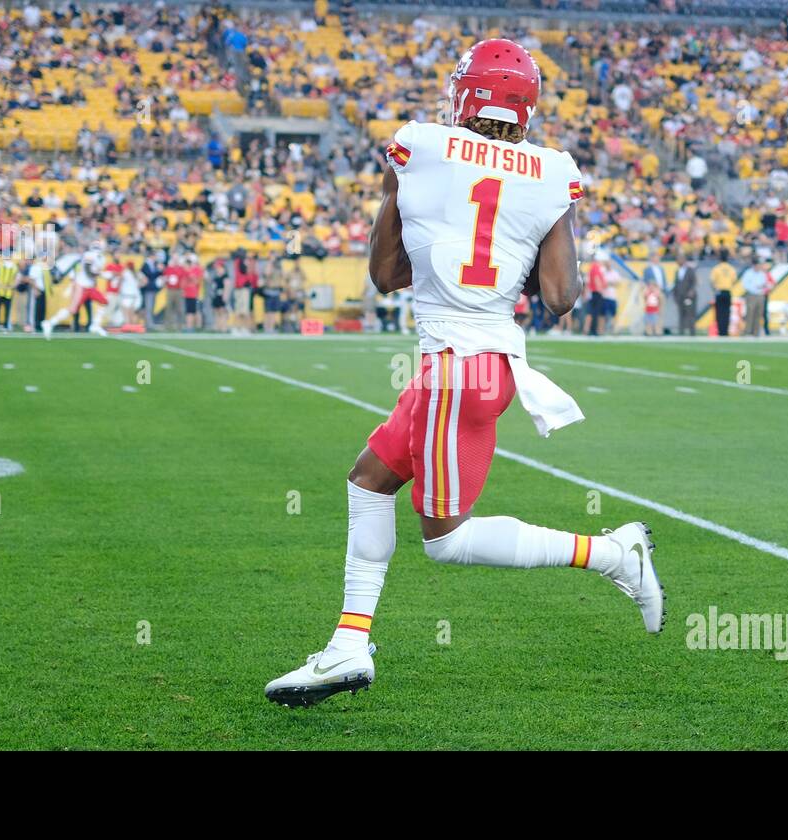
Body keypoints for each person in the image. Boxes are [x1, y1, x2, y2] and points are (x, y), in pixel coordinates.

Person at [265, 40, 664, 709]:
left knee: (448, 542)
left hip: (459, 370)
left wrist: (401, 198)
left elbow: (388, 275)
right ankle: (347, 646)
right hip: (471, 365)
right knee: (368, 478)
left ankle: (615, 554)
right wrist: (536, 227)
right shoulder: (550, 170)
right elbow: (561, 297)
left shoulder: (419, 146)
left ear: (467, 94)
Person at [41, 247, 109, 338]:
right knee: (73, 309)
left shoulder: (102, 258)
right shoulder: (89, 255)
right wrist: (101, 274)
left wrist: (100, 275)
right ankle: (49, 323)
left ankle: (95, 325)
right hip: (82, 286)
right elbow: (88, 270)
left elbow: (93, 272)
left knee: (104, 302)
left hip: (90, 287)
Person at [739, 259, 772, 337]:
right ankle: (748, 332)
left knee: (758, 314)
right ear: (754, 265)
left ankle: (755, 332)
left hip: (760, 295)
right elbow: (745, 284)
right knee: (750, 313)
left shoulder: (762, 274)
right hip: (751, 295)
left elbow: (764, 283)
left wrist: (762, 287)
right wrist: (755, 288)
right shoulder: (748, 273)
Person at [710, 251, 736, 336]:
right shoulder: (731, 268)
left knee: (719, 313)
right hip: (728, 292)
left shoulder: (716, 268)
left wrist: (716, 289)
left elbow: (712, 281)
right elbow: (733, 280)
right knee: (727, 312)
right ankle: (725, 331)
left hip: (719, 292)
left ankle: (720, 331)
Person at [0, 255, 19, 332]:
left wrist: (11, 286)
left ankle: (5, 325)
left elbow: (17, 279)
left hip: (7, 291)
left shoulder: (13, 267)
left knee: (6, 310)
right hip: (1, 291)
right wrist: (1, 285)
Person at [674, 256, 698, 336]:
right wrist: (675, 296)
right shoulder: (677, 271)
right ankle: (681, 332)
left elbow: (694, 282)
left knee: (690, 314)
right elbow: (676, 285)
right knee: (681, 314)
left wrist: (691, 291)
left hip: (689, 296)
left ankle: (692, 332)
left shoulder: (690, 270)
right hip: (680, 297)